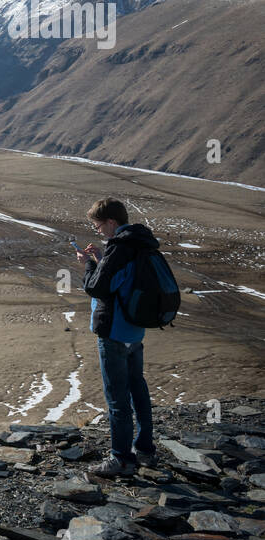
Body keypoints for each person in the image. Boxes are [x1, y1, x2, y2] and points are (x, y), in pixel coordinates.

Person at [77, 197, 159, 477]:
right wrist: (102, 260)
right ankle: (146, 450)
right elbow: (120, 280)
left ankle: (121, 459)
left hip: (114, 332)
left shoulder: (119, 247)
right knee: (138, 387)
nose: (98, 230)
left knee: (117, 399)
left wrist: (88, 265)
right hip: (135, 330)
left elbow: (97, 289)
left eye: (99, 225)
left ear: (112, 222)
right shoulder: (139, 242)